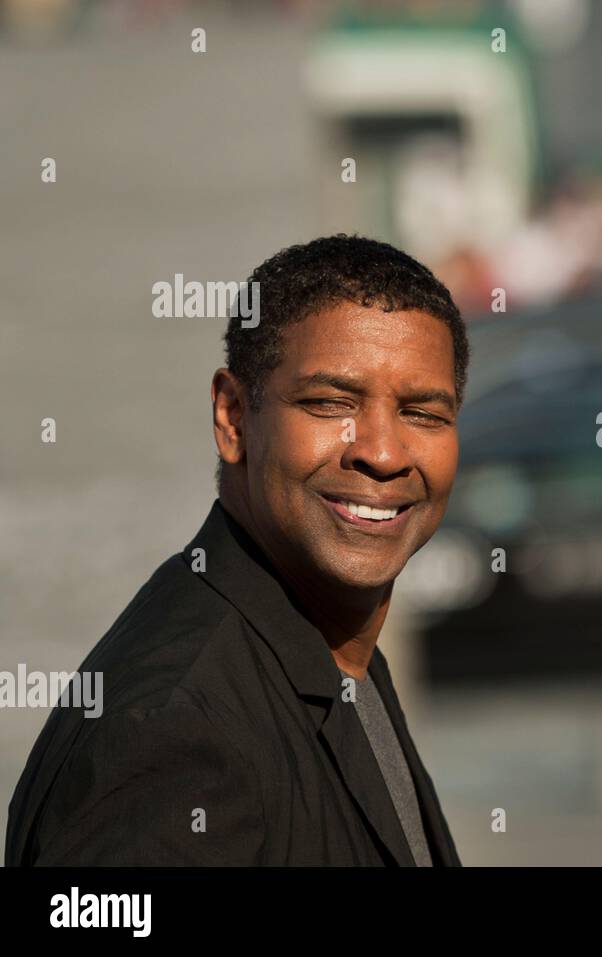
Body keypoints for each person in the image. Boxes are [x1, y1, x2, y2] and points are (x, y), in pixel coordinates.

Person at [6, 235, 468, 865]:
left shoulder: (335, 650)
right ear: (232, 417)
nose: (383, 453)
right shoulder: (176, 730)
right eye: (329, 403)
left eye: (423, 413)